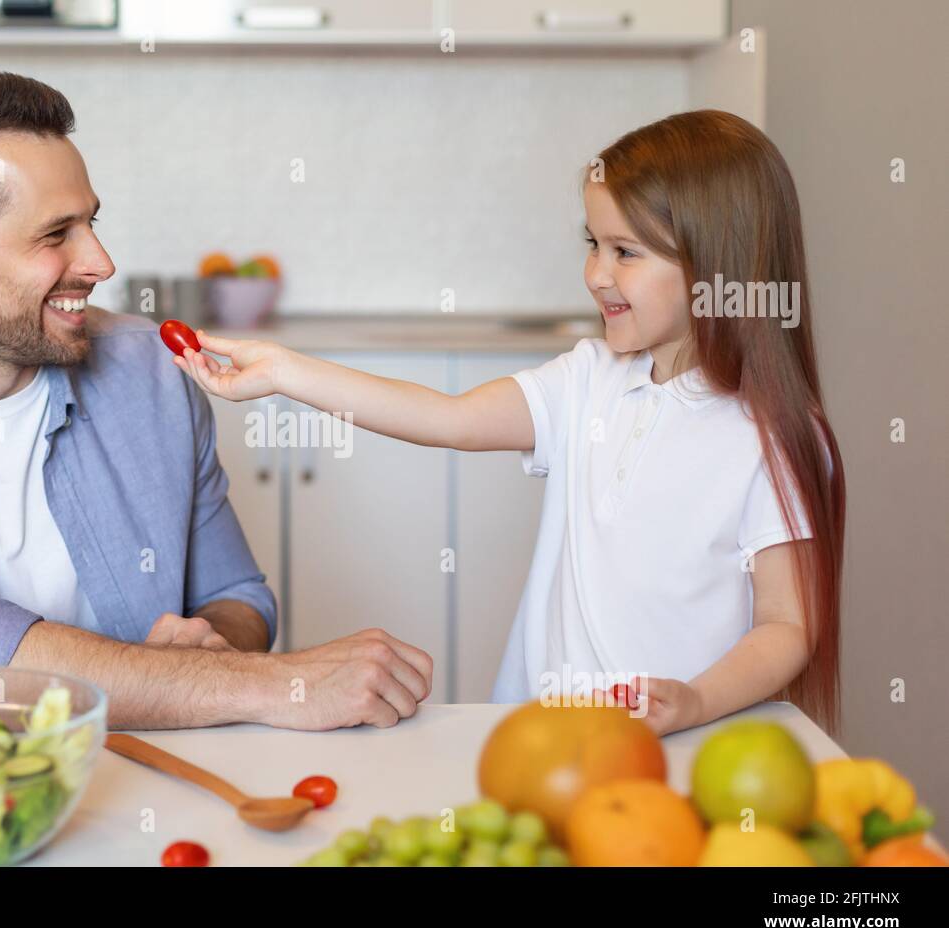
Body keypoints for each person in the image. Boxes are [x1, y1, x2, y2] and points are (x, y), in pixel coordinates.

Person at [0, 70, 432, 731]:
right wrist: (275, 685)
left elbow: (238, 598)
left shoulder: (149, 372)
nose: (101, 262)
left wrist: (207, 648)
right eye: (56, 233)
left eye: (91, 223)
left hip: (136, 775)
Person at [176, 110, 846, 736]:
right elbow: (449, 418)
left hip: (692, 752)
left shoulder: (769, 436)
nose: (595, 274)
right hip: (546, 739)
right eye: (593, 243)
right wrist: (283, 371)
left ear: (716, 265)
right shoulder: (589, 379)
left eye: (626, 251)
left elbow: (788, 624)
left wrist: (694, 700)